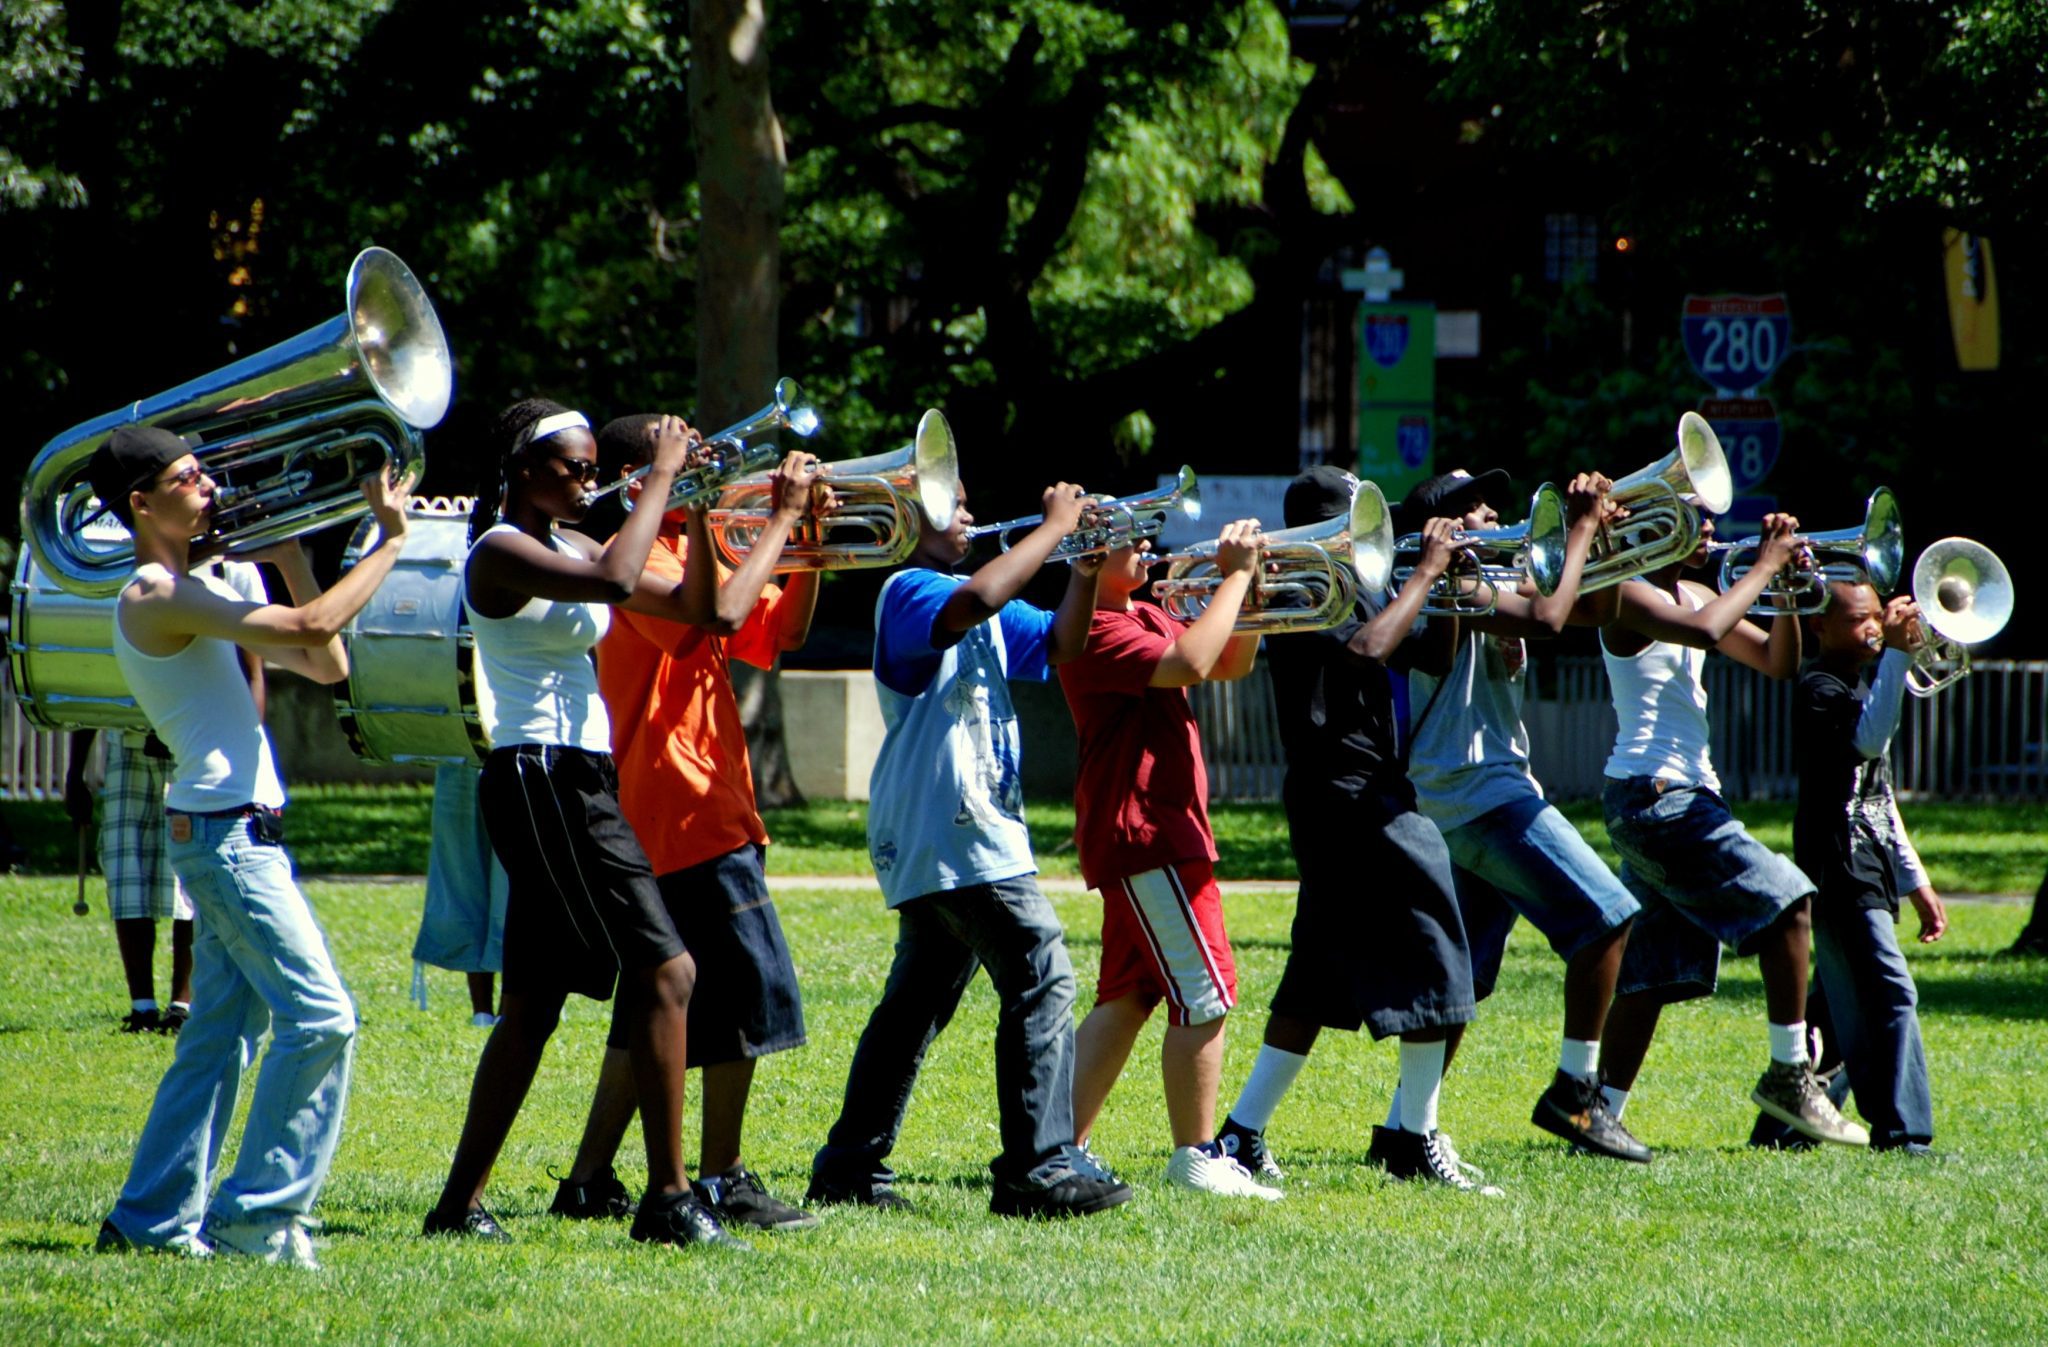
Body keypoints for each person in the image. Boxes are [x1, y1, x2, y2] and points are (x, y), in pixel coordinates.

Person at [422, 399, 743, 1249]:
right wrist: (664, 473)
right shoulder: (500, 550)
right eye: (573, 465)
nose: (590, 478)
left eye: (596, 464)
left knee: (530, 1006)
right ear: (523, 468)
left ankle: (457, 1207)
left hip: (577, 775)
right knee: (668, 972)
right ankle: (670, 1199)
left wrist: (710, 509)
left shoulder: (581, 543)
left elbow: (709, 612)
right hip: (543, 775)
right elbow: (611, 585)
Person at [92, 424, 410, 1268]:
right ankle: (255, 1216)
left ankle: (148, 1219)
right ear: (142, 502)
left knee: (218, 1039)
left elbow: (326, 659)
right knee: (323, 1018)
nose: (208, 487)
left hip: (237, 830)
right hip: (227, 837)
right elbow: (313, 623)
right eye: (188, 478)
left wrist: (296, 554)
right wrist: (393, 541)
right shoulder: (155, 592)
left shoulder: (200, 587)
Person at [809, 476, 1133, 1219]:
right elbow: (977, 601)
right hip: (956, 830)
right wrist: (1054, 527)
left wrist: (1082, 572)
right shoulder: (910, 591)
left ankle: (850, 1165)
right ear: (909, 520)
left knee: (914, 1005)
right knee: (1043, 971)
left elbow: (1062, 642)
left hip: (951, 834)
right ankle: (1039, 1167)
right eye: (953, 502)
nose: (971, 512)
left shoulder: (977, 587)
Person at [546, 416, 826, 1234]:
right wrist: (776, 519)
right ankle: (722, 1174)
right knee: (746, 988)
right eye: (689, 459)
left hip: (694, 801)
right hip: (685, 804)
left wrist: (806, 537)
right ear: (639, 474)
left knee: (650, 1008)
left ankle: (591, 1176)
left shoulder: (681, 542)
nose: (708, 468)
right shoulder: (632, 561)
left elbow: (785, 630)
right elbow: (722, 615)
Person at [1211, 466, 1500, 1197]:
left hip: (1353, 783)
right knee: (1441, 940)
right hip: (1348, 787)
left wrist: (1448, 586)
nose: (1363, 534)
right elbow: (1368, 650)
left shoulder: (1351, 583)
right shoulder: (1304, 586)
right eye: (1351, 520)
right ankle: (1416, 1136)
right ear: (1317, 527)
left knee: (1315, 974)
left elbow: (1430, 655)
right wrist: (1424, 570)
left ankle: (1241, 1134)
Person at [1396, 468, 1650, 1163]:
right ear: (1438, 528)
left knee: (1464, 977)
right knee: (1607, 915)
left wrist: (1598, 541)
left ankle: (1402, 1128)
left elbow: (1589, 611)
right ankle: (1575, 1091)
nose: (1492, 511)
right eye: (1471, 507)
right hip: (1477, 792)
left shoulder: (1500, 579)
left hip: (1475, 789)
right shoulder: (1447, 581)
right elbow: (1549, 617)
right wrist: (1578, 528)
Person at [1594, 509, 1868, 1147]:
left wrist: (1790, 597)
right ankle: (1789, 1077)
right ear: (1660, 529)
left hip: (1677, 795)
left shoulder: (1697, 592)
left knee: (1653, 973)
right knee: (1791, 901)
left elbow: (1777, 662)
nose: (1715, 534)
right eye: (1697, 522)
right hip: (1656, 795)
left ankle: (1596, 1108)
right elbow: (1705, 629)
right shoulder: (1627, 593)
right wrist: (1766, 566)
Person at [1058, 510, 1275, 1199]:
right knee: (1204, 997)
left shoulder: (1147, 613)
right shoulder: (1095, 626)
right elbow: (1191, 661)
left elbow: (1228, 661)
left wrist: (1252, 590)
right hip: (1148, 831)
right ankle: (1194, 1155)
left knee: (1129, 996)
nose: (1148, 547)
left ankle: (1055, 1146)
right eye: (1132, 540)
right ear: (1092, 554)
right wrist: (1232, 577)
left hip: (1163, 830)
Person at [1750, 577, 1944, 1153]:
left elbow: (1877, 796)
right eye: (1858, 619)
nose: (1871, 627)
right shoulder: (1819, 686)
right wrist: (1897, 655)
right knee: (1890, 991)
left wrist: (1916, 880)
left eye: (1875, 616)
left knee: (1836, 1006)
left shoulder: (1860, 680)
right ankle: (1906, 1134)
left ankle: (1783, 1128)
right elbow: (1867, 742)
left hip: (1870, 864)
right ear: (1819, 627)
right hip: (1838, 864)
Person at [66, 560, 268, 1035]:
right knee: (126, 869)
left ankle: (183, 1004)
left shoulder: (234, 572)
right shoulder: (124, 571)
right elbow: (94, 676)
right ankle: (141, 1005)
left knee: (189, 883)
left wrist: (247, 743)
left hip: (200, 746)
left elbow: (252, 667)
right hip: (128, 742)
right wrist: (77, 770)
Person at [412, 761, 508, 1027]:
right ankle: (483, 1013)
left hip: (517, 747)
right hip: (462, 749)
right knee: (462, 876)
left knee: (510, 885)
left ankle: (506, 1014)